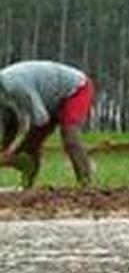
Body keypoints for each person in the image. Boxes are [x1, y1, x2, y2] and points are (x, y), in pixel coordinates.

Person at [0, 60, 95, 188]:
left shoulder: (15, 86)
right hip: (49, 99)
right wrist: (6, 149)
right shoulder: (4, 91)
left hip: (75, 89)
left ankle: (86, 182)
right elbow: (11, 124)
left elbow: (40, 119)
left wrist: (13, 151)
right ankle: (28, 186)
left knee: (69, 136)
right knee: (29, 146)